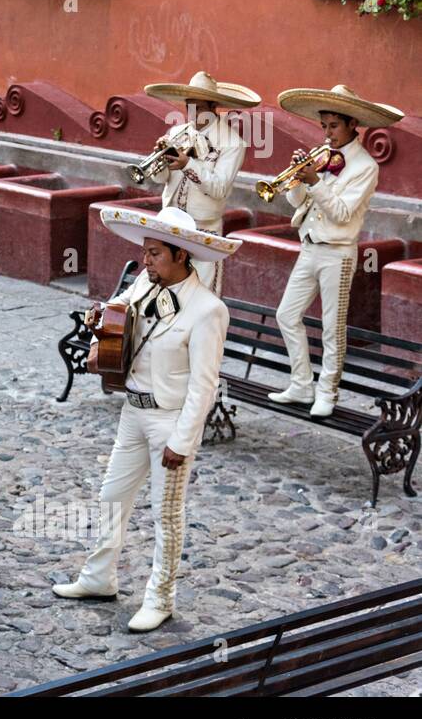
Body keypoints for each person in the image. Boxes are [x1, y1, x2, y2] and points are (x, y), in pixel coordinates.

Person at [53, 206, 238, 632]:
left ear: (180, 256)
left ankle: (160, 598)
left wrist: (184, 441)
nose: (146, 261)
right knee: (111, 497)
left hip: (169, 422)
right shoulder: (143, 283)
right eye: (145, 252)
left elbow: (203, 385)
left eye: (154, 253)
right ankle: (99, 578)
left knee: (166, 515)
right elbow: (118, 308)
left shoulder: (208, 310)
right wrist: (101, 317)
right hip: (131, 412)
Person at [266, 85, 403, 419]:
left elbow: (342, 212)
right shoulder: (321, 155)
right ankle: (301, 383)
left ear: (352, 123)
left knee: (332, 326)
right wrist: (298, 181)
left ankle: (327, 391)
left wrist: (315, 180)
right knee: (286, 315)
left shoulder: (366, 166)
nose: (326, 134)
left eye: (333, 126)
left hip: (338, 254)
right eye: (323, 126)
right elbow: (297, 203)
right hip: (309, 246)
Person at [142, 70, 260, 295]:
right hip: (170, 227)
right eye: (189, 107)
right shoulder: (177, 132)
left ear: (213, 106)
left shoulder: (233, 143)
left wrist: (188, 164)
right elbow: (160, 179)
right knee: (163, 295)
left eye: (199, 108)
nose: (193, 114)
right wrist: (159, 161)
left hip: (203, 230)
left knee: (202, 298)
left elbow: (219, 188)